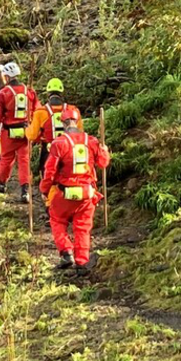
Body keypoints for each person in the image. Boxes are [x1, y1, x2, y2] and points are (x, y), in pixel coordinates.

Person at [39, 107, 110, 276]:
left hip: (64, 193)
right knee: (83, 227)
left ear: (62, 123)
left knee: (57, 220)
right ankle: (82, 261)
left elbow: (49, 171)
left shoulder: (59, 143)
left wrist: (44, 189)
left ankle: (66, 252)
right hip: (87, 194)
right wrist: (105, 151)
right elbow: (103, 163)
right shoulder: (91, 141)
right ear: (78, 122)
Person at [0, 62, 38, 203]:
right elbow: (36, 112)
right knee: (24, 161)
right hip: (25, 131)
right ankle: (25, 191)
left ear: (7, 77)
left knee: (6, 158)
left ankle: (1, 184)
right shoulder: (29, 92)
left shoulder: (2, 94)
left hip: (8, 132)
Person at [27, 78, 82, 177]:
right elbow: (80, 133)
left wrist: (28, 130)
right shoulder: (73, 110)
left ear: (48, 94)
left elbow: (32, 136)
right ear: (62, 93)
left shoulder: (40, 113)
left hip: (48, 151)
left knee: (48, 178)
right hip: (69, 151)